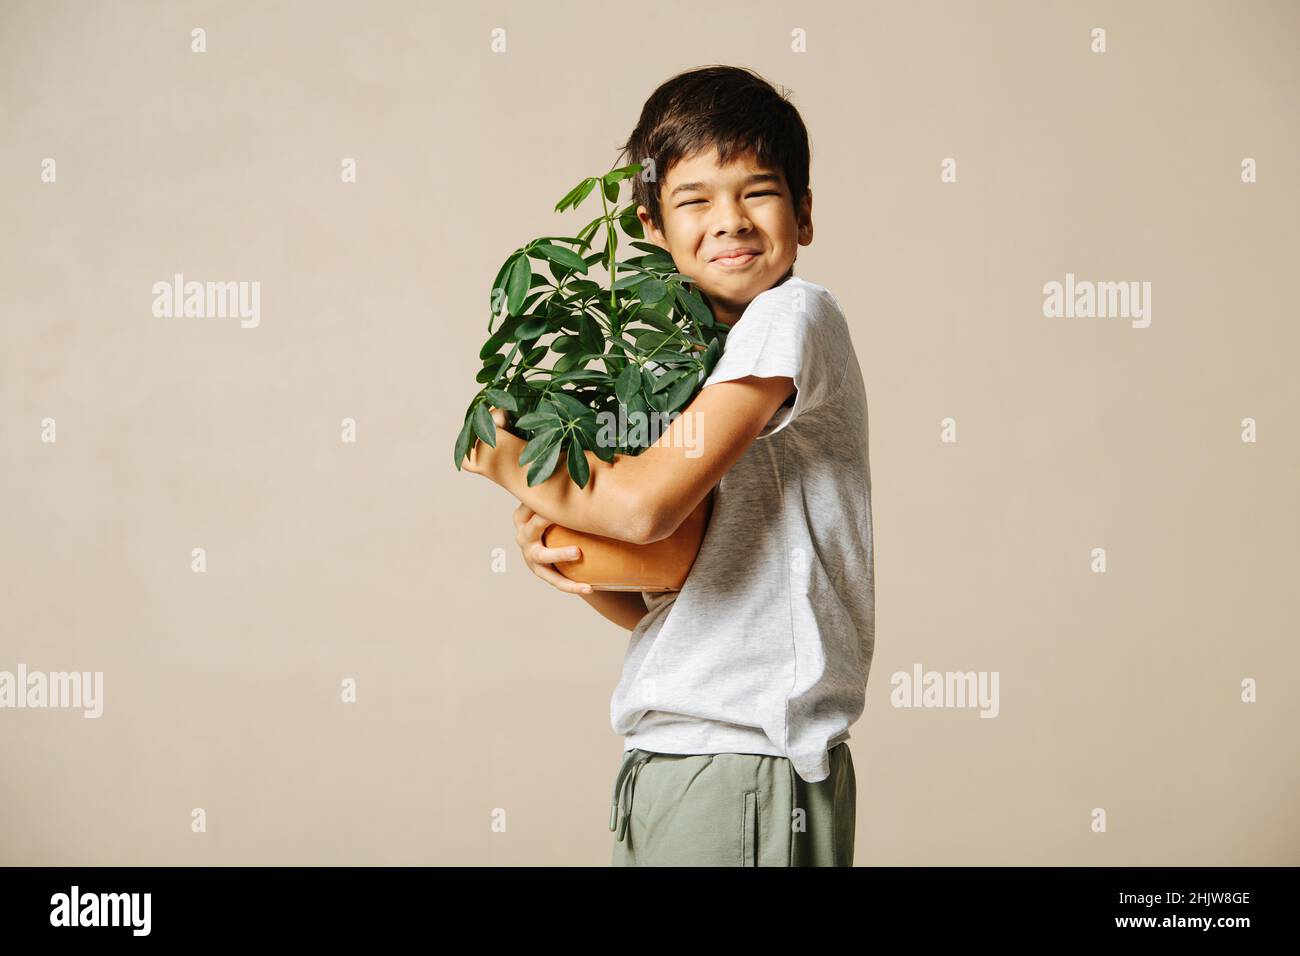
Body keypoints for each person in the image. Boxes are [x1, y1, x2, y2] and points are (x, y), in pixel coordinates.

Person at [464, 65, 873, 866]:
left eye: (758, 192)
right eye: (696, 199)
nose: (731, 222)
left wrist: (506, 459)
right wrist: (565, 553)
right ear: (652, 225)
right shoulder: (692, 360)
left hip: (746, 763)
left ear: (806, 213)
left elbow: (644, 508)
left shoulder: (792, 315)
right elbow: (676, 592)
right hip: (681, 756)